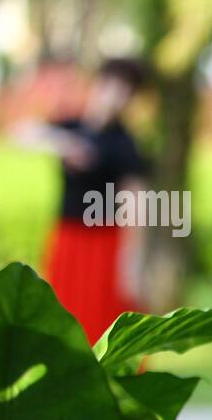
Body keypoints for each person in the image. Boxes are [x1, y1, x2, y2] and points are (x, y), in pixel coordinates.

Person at [14, 58, 149, 343]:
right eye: (111, 85)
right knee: (61, 317)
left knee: (100, 322)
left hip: (103, 242)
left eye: (125, 90)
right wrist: (66, 144)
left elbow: (135, 204)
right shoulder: (71, 126)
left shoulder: (124, 143)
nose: (115, 95)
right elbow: (22, 133)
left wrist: (131, 264)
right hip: (67, 238)